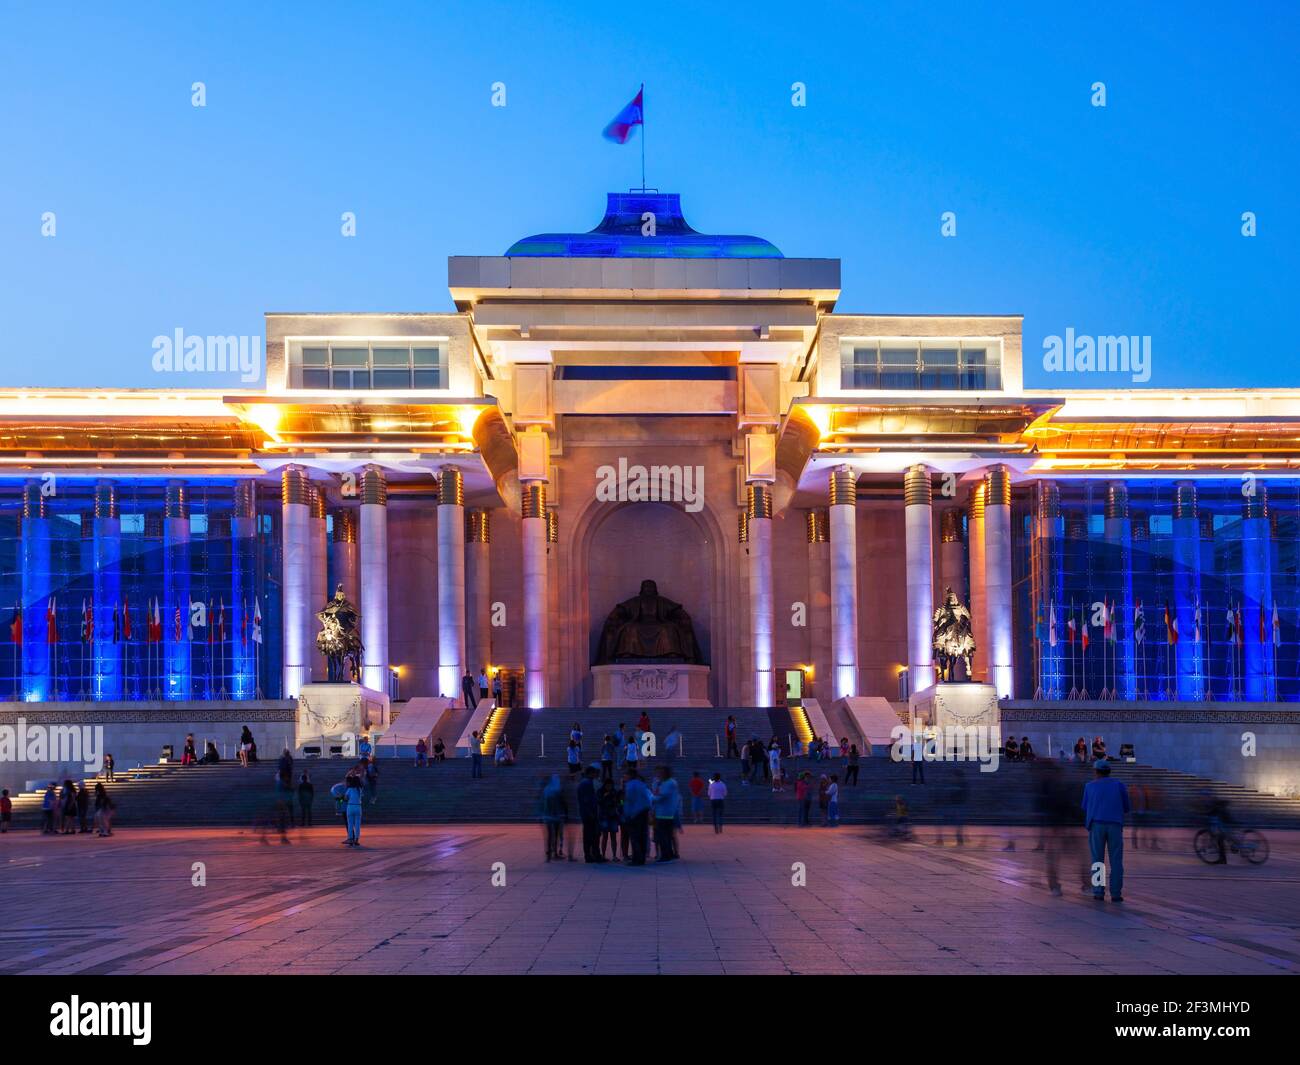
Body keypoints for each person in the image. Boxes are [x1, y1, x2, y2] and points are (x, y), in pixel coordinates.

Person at [1082, 759, 1130, 901]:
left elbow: (1085, 806)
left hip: (1096, 825)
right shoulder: (1119, 785)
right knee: (1116, 860)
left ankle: (1098, 892)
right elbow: (1126, 807)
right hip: (1115, 824)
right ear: (1109, 771)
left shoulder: (1089, 786)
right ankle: (1116, 893)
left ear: (1096, 772)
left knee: (1097, 859)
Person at [622, 769, 652, 866]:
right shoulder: (641, 784)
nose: (624, 777)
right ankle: (641, 858)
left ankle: (636, 858)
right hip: (643, 812)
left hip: (634, 814)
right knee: (642, 836)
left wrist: (627, 814)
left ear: (630, 775)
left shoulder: (630, 785)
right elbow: (647, 799)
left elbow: (629, 801)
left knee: (635, 837)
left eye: (625, 775)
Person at [651, 766, 680, 862]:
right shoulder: (664, 782)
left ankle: (666, 855)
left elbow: (661, 796)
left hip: (665, 812)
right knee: (666, 834)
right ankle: (669, 853)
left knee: (663, 835)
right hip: (663, 811)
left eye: (661, 772)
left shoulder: (669, 783)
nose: (659, 774)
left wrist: (650, 797)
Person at [577, 766, 603, 863]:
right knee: (592, 835)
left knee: (589, 834)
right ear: (590, 773)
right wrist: (591, 813)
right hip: (589, 813)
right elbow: (587, 800)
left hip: (586, 813)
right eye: (595, 773)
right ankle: (591, 855)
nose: (596, 775)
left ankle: (590, 854)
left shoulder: (584, 783)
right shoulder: (587, 783)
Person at [539, 775, 566, 861]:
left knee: (550, 835)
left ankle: (549, 854)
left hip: (547, 816)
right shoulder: (557, 790)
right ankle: (554, 853)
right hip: (555, 816)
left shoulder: (546, 789)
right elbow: (561, 803)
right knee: (556, 834)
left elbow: (543, 802)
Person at [597, 777, 621, 861]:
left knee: (613, 836)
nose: (609, 787)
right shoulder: (600, 792)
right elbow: (598, 802)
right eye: (608, 786)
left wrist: (619, 803)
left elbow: (619, 802)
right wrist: (604, 797)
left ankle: (614, 855)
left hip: (613, 816)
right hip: (604, 816)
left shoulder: (614, 792)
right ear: (605, 785)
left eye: (610, 786)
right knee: (605, 836)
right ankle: (603, 855)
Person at [342, 771, 364, 846]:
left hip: (350, 806)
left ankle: (350, 838)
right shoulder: (360, 789)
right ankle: (357, 840)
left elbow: (345, 798)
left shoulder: (350, 789)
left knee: (350, 824)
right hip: (358, 807)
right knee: (357, 824)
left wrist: (341, 799)